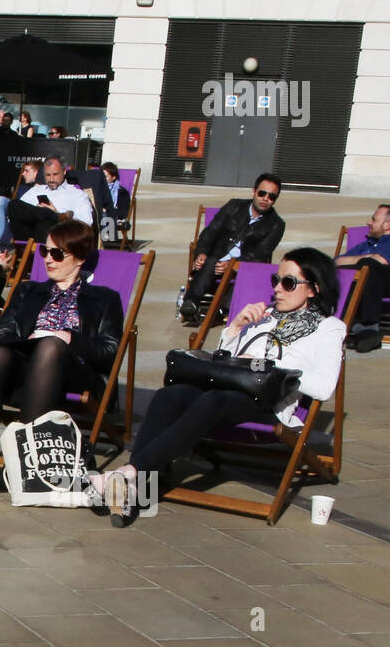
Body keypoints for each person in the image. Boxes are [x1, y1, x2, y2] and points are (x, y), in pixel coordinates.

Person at [95, 248, 345, 526]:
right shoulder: (265, 314)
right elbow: (224, 366)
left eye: (287, 283)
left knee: (214, 400)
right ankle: (137, 489)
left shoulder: (329, 328)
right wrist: (235, 329)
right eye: (275, 280)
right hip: (230, 389)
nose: (277, 288)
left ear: (314, 289)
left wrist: (271, 366)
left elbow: (324, 388)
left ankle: (131, 470)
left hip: (270, 402)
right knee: (170, 395)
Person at [0, 220, 123, 497]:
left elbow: (110, 352)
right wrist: (31, 340)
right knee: (0, 353)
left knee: (51, 346)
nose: (48, 259)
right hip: (25, 366)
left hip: (75, 372)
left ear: (80, 258)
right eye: (45, 252)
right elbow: (0, 335)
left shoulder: (104, 299)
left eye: (58, 254)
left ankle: (18, 461)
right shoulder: (29, 291)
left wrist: (69, 338)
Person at [180, 173, 286, 325]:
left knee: (242, 273)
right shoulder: (234, 206)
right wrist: (201, 252)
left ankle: (221, 309)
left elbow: (260, 253)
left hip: (243, 266)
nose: (265, 199)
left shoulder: (276, 224)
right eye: (262, 193)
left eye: (271, 196)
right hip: (216, 258)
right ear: (254, 191)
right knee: (210, 262)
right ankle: (191, 303)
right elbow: (210, 232)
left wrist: (232, 265)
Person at [333, 204, 390, 352]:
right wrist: (366, 257)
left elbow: (380, 261)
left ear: (388, 225)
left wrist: (363, 260)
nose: (368, 223)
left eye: (374, 219)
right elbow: (335, 262)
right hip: (360, 284)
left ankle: (368, 328)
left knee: (369, 266)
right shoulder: (365, 244)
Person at [5, 156, 94, 244]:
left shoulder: (77, 194)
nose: (51, 179)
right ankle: (55, 215)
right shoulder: (36, 190)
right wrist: (38, 211)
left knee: (46, 220)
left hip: (55, 236)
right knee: (13, 204)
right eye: (48, 175)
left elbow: (86, 223)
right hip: (28, 233)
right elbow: (17, 213)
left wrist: (55, 212)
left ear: (64, 171)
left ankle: (54, 216)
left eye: (55, 174)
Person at [0, 159, 42, 252]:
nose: (23, 174)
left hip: (28, 219)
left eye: (27, 171)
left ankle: (2, 244)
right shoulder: (22, 188)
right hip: (18, 213)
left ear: (36, 173)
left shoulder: (43, 188)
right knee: (0, 200)